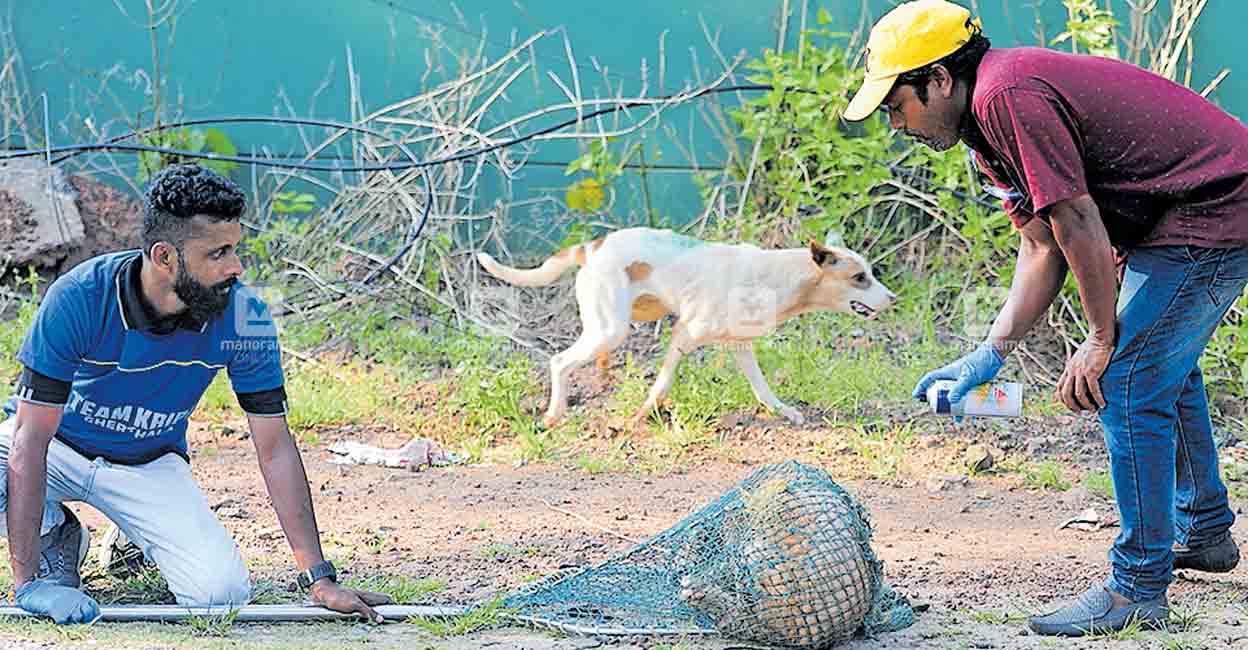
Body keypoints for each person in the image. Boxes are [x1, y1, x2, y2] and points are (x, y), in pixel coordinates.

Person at [842, 0, 1248, 637]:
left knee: (1131, 378)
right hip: (1182, 213)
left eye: (897, 104)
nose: (895, 123)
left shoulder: (1010, 95)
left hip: (1219, 204)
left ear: (939, 80)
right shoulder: (984, 133)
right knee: (1160, 366)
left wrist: (1099, 337)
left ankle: (1138, 588)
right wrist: (990, 354)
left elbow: (1077, 220)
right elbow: (1041, 245)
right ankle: (1203, 530)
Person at [1, 163, 393, 624]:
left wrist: (319, 578)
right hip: (56, 448)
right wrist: (28, 584)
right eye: (218, 253)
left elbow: (275, 448)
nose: (236, 267)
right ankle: (55, 532)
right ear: (165, 257)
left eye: (235, 249)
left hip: (148, 464)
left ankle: (135, 533)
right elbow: (30, 440)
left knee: (219, 596)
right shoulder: (80, 296)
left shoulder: (245, 313)